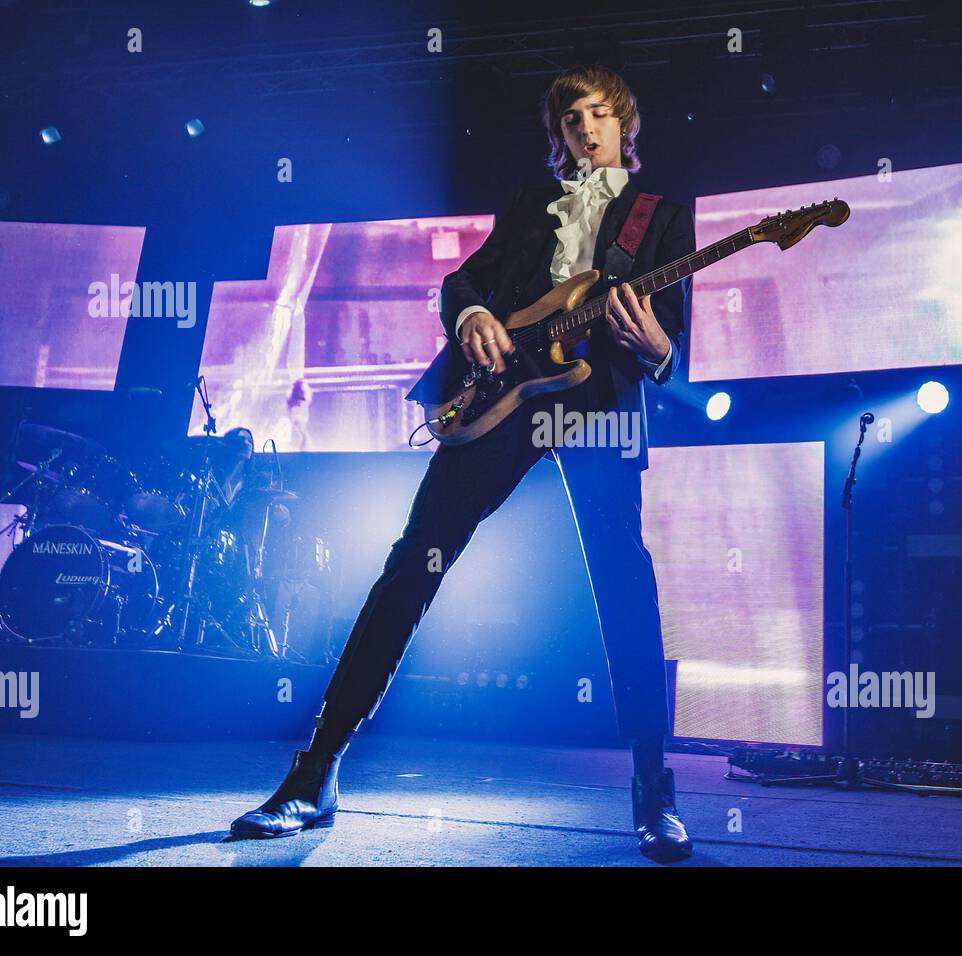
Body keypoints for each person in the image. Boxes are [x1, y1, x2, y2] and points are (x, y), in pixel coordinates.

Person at [231, 64, 696, 862]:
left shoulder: (661, 214)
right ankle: (316, 770)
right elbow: (466, 281)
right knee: (413, 563)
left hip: (598, 406)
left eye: (598, 115)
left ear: (624, 124)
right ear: (559, 138)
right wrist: (475, 315)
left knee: (624, 578)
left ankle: (654, 787)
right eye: (571, 120)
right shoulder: (529, 204)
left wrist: (659, 349)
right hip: (503, 400)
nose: (585, 128)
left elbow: (671, 343)